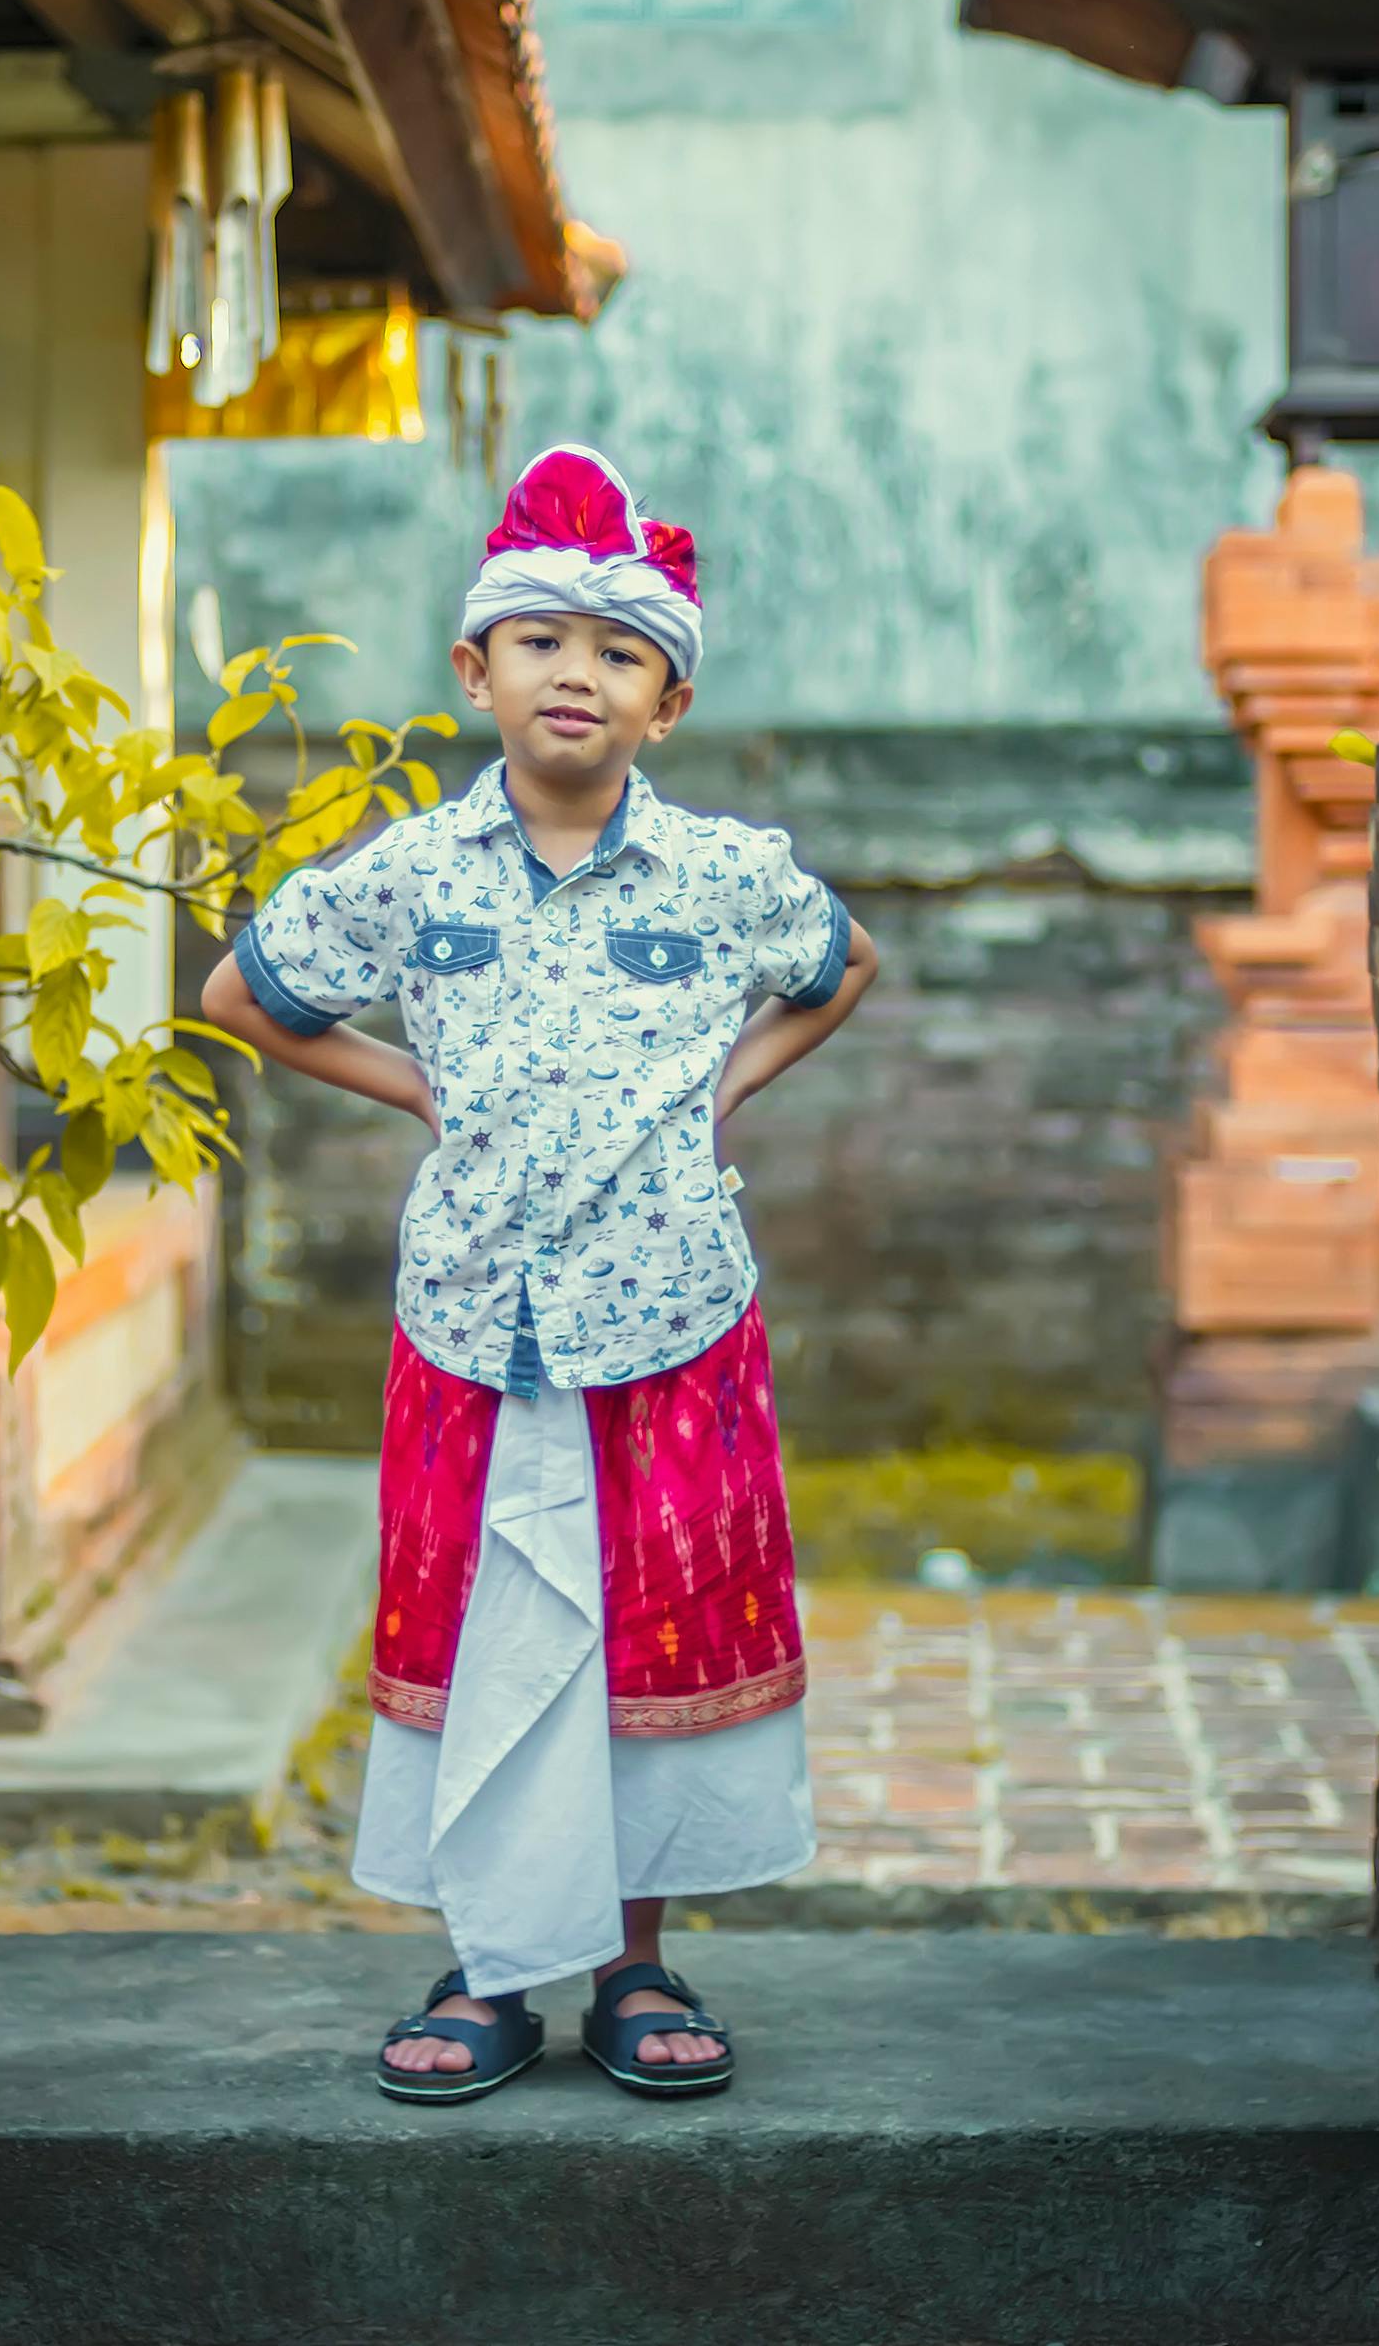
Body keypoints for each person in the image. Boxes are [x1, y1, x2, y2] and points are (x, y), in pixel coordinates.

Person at [201, 443, 877, 2105]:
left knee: (648, 1641)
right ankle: (488, 1967)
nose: (578, 674)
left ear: (667, 700)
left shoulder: (722, 873)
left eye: (620, 652)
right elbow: (243, 995)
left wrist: (723, 1086)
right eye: (543, 642)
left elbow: (843, 963)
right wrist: (413, 1084)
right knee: (487, 1637)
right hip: (470, 1323)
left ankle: (638, 1966)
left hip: (672, 1316)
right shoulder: (411, 873)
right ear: (476, 670)